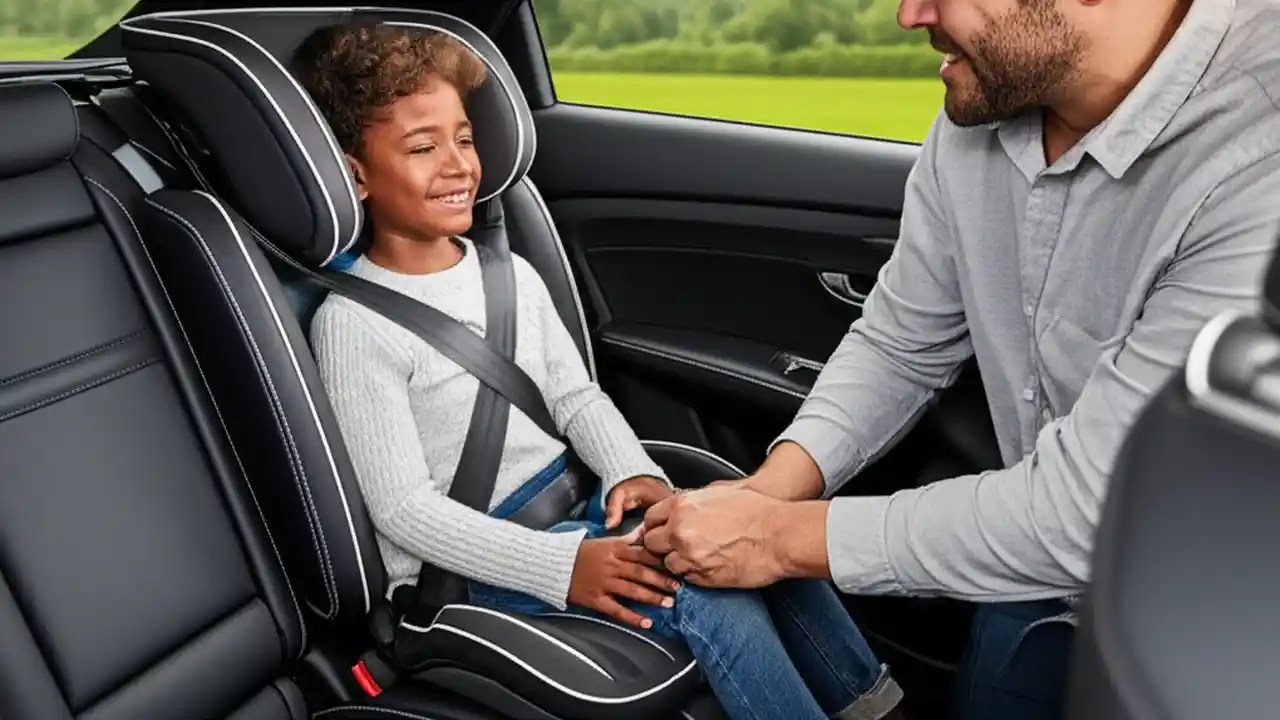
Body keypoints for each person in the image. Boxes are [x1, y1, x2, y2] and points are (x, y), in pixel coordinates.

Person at [640, 0, 1280, 717]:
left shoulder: (1259, 157)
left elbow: (1089, 513)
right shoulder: (992, 98)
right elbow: (901, 342)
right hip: (1023, 577)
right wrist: (766, 495)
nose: (908, 14)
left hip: (1212, 632)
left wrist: (779, 541)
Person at [296, 23, 904, 720]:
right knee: (701, 589)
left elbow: (574, 395)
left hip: (575, 509)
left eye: (463, 139)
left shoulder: (508, 274)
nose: (458, 164)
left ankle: (874, 707)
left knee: (755, 535)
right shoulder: (352, 325)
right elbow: (405, 512)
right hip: (467, 571)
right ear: (357, 175)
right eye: (421, 147)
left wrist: (628, 471)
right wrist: (563, 569)